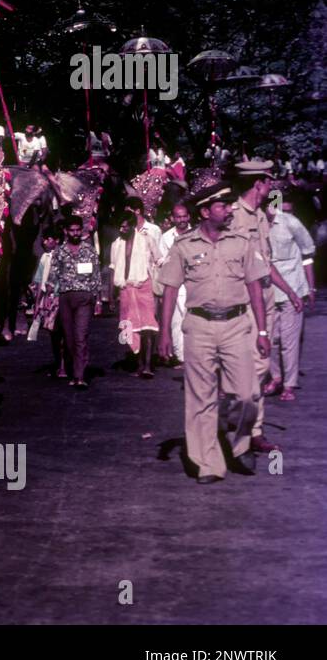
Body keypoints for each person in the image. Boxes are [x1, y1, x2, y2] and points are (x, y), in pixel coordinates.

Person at [158, 184, 270, 483]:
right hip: (199, 327)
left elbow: (255, 288)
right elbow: (169, 290)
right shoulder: (184, 246)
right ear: (206, 212)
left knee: (247, 395)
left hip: (236, 325)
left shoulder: (242, 243)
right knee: (201, 399)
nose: (230, 210)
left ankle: (241, 443)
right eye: (223, 206)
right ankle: (208, 463)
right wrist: (165, 333)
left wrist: (262, 330)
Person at [228, 160, 299, 452]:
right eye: (269, 182)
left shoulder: (260, 216)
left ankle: (252, 430)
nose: (272, 187)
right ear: (258, 183)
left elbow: (265, 264)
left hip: (265, 301)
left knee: (259, 367)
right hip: (243, 303)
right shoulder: (233, 217)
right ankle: (237, 422)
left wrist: (290, 291)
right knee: (243, 369)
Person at [265, 197, 314, 401]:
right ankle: (275, 377)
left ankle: (289, 384)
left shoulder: (290, 223)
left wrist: (310, 287)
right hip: (266, 291)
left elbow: (308, 253)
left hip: (292, 288)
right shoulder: (254, 226)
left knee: (289, 341)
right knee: (270, 339)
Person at [49, 213, 101, 389]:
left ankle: (80, 376)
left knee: (81, 336)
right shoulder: (59, 252)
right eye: (72, 230)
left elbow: (96, 276)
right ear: (65, 231)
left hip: (85, 297)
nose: (76, 234)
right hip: (65, 297)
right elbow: (53, 276)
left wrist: (98, 300)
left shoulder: (89, 250)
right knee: (69, 338)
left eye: (79, 230)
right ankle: (72, 371)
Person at [109, 208, 162, 378]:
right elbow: (113, 269)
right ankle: (138, 364)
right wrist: (111, 295)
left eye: (125, 227)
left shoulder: (147, 240)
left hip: (144, 286)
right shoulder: (116, 244)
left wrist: (160, 286)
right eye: (120, 227)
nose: (122, 230)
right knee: (129, 328)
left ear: (132, 226)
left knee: (148, 326)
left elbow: (159, 260)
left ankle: (147, 365)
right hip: (125, 289)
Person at [155, 203, 193, 365]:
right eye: (178, 217)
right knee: (176, 321)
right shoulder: (166, 238)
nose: (182, 220)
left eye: (184, 216)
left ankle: (194, 356)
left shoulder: (196, 234)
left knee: (192, 320)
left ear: (189, 217)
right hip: (173, 284)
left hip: (192, 283)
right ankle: (181, 357)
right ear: (172, 218)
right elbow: (161, 261)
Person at [28, 228, 65, 373]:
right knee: (53, 333)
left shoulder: (63, 256)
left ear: (57, 240)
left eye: (48, 239)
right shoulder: (45, 257)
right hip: (47, 300)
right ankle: (58, 363)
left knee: (63, 332)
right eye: (44, 239)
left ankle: (63, 365)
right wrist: (37, 304)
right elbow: (38, 282)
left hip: (60, 298)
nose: (45, 242)